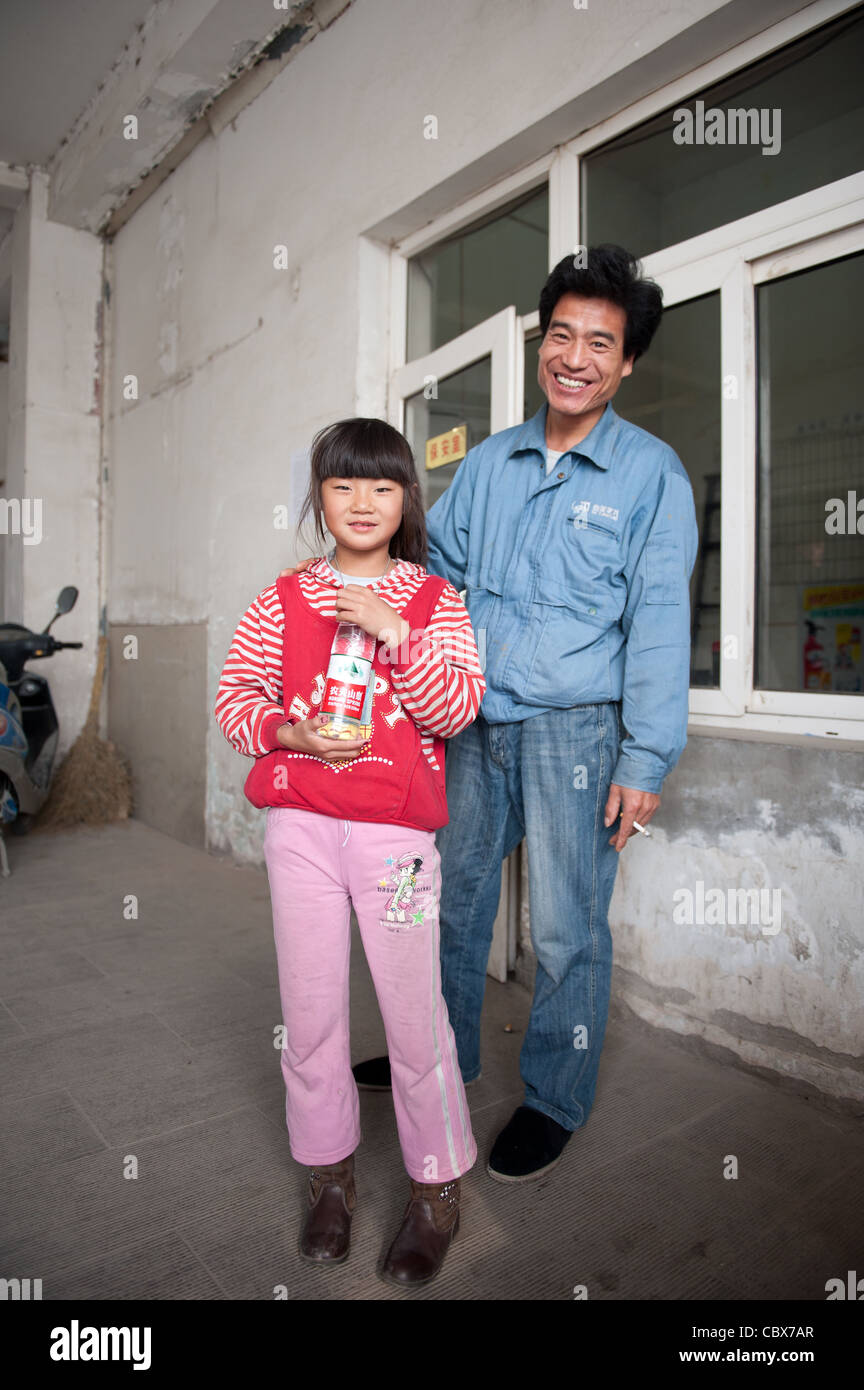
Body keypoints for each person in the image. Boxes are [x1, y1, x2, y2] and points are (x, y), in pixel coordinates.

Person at [283, 245, 700, 1186]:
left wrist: (646, 757)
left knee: (564, 926)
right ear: (539, 343)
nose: (576, 357)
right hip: (469, 726)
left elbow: (662, 626)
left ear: (626, 362)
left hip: (577, 734)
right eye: (561, 335)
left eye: (602, 342)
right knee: (444, 906)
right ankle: (436, 1055)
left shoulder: (648, 476)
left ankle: (554, 1097)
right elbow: (434, 592)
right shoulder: (488, 465)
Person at [214, 417, 485, 1286]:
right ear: (320, 498)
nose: (362, 502)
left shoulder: (436, 601)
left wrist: (394, 633)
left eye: (381, 486)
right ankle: (330, 1178)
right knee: (312, 1014)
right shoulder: (280, 599)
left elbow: (457, 712)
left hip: (398, 848)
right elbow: (235, 701)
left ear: (406, 497)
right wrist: (287, 730)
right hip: (301, 837)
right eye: (343, 486)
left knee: (414, 1017)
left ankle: (436, 1188)